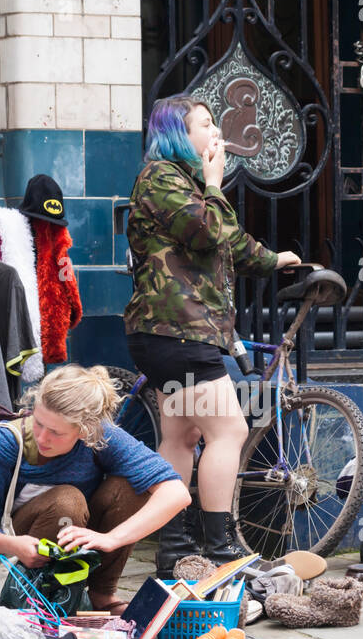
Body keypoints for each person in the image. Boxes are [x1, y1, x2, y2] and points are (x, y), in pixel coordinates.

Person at [123, 94, 302, 576]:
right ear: (179, 134)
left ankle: (175, 548)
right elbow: (206, 230)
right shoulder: (161, 178)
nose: (217, 134)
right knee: (230, 430)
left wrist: (276, 260)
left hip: (172, 334)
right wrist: (215, 182)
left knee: (182, 436)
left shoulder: (180, 182)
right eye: (206, 124)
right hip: (178, 331)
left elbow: (228, 242)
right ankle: (220, 547)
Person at [0, 365, 190, 611]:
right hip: (14, 550)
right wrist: (15, 545)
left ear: (85, 431)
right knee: (68, 500)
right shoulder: (6, 441)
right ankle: (37, 600)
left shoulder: (102, 436)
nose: (42, 438)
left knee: (132, 486)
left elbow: (175, 493)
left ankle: (101, 597)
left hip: (74, 540)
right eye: (39, 423)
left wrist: (110, 539)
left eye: (55, 432)